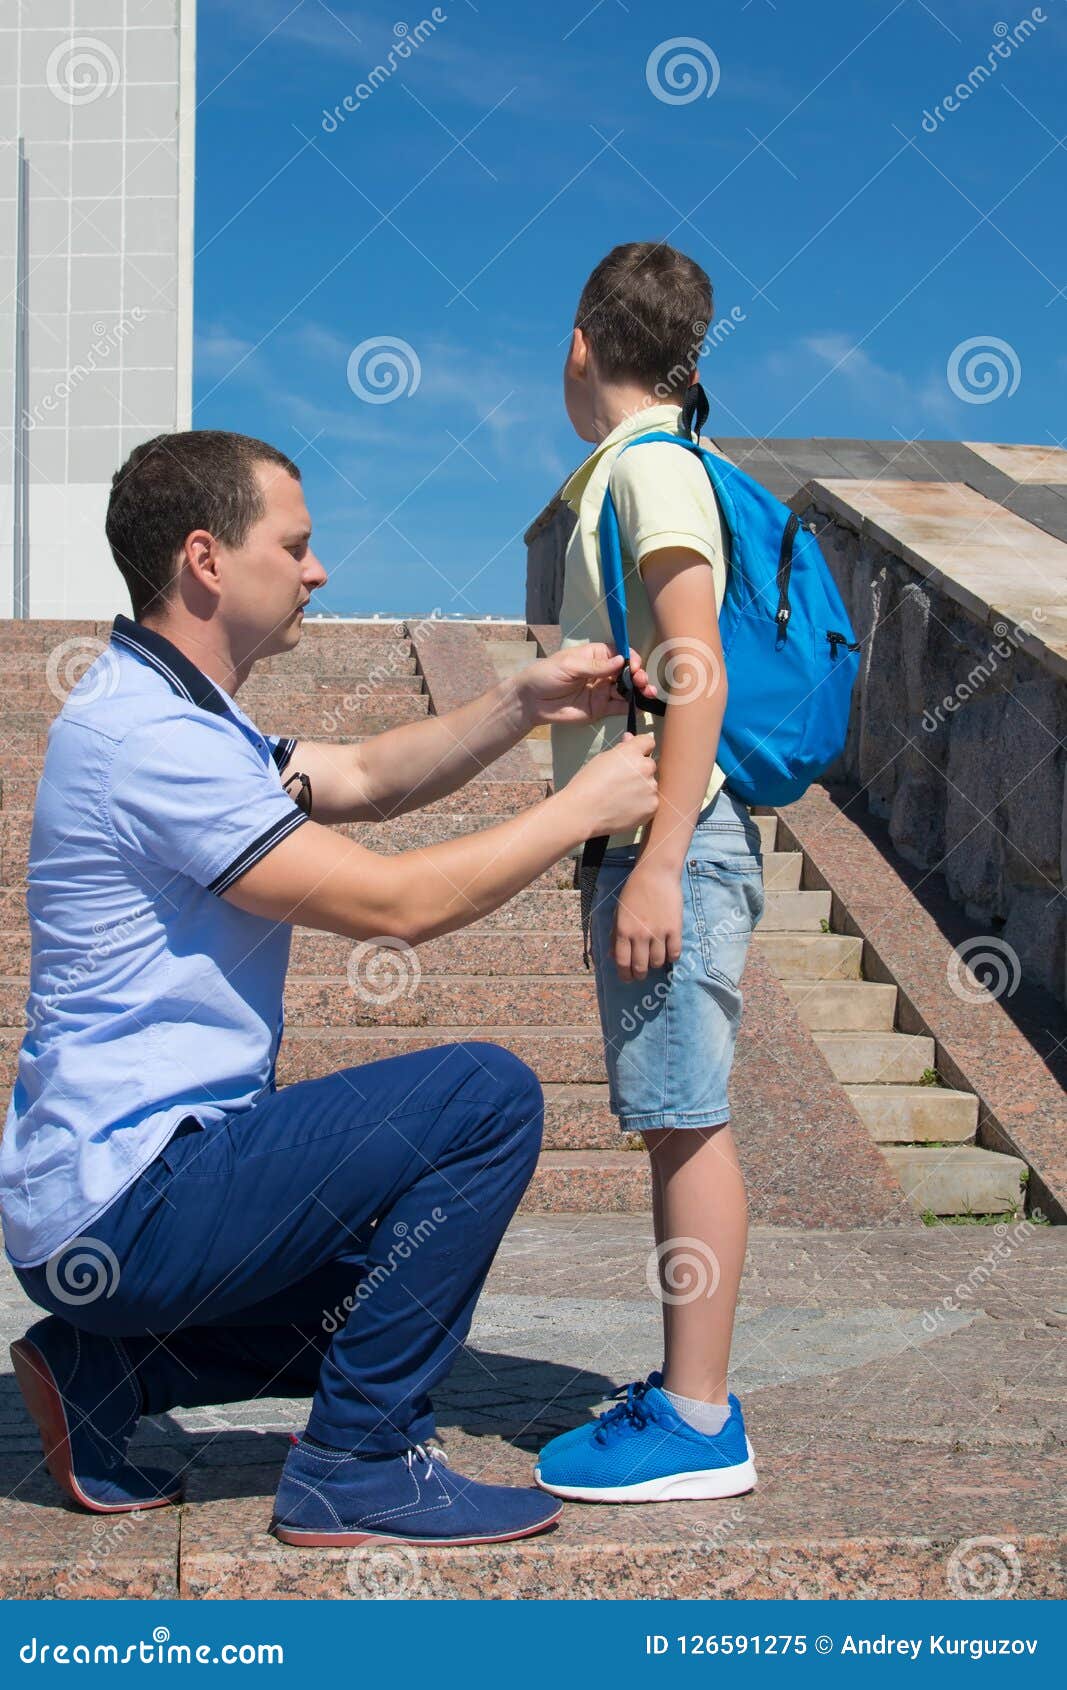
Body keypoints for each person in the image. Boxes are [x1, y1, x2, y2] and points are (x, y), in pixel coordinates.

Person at [0, 429, 660, 1547]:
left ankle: (101, 1370)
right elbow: (396, 905)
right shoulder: (150, 737)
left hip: (109, 1211)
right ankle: (357, 1463)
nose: (317, 571)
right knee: (486, 1097)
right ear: (207, 559)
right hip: (133, 1196)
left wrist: (523, 702)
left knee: (394, 1304)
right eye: (295, 545)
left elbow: (355, 775)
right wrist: (578, 810)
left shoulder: (188, 718)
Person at [535, 244, 765, 1504]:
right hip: (653, 829)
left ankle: (695, 1418)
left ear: (583, 342)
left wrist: (660, 861)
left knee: (684, 1120)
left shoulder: (653, 469)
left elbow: (696, 663)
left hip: (672, 836)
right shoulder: (651, 467)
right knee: (675, 1115)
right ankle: (687, 1399)